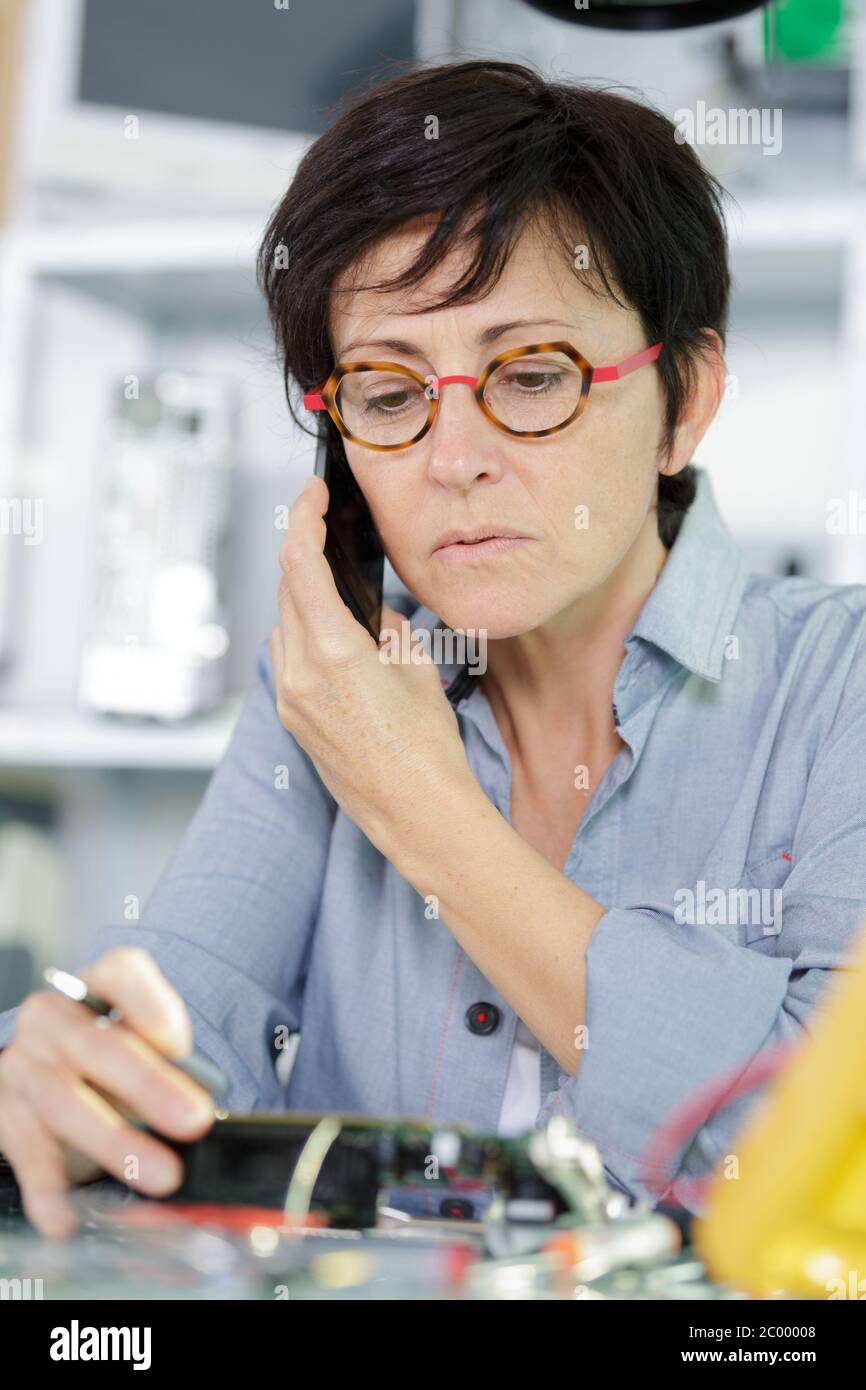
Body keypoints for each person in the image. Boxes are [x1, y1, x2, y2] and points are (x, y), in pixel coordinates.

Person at [2, 59, 865, 1239]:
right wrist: (68, 1074)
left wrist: (416, 803)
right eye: (388, 391)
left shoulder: (837, 685)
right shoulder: (330, 689)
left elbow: (816, 1156)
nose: (451, 458)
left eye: (529, 377)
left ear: (685, 396)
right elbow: (183, 1016)